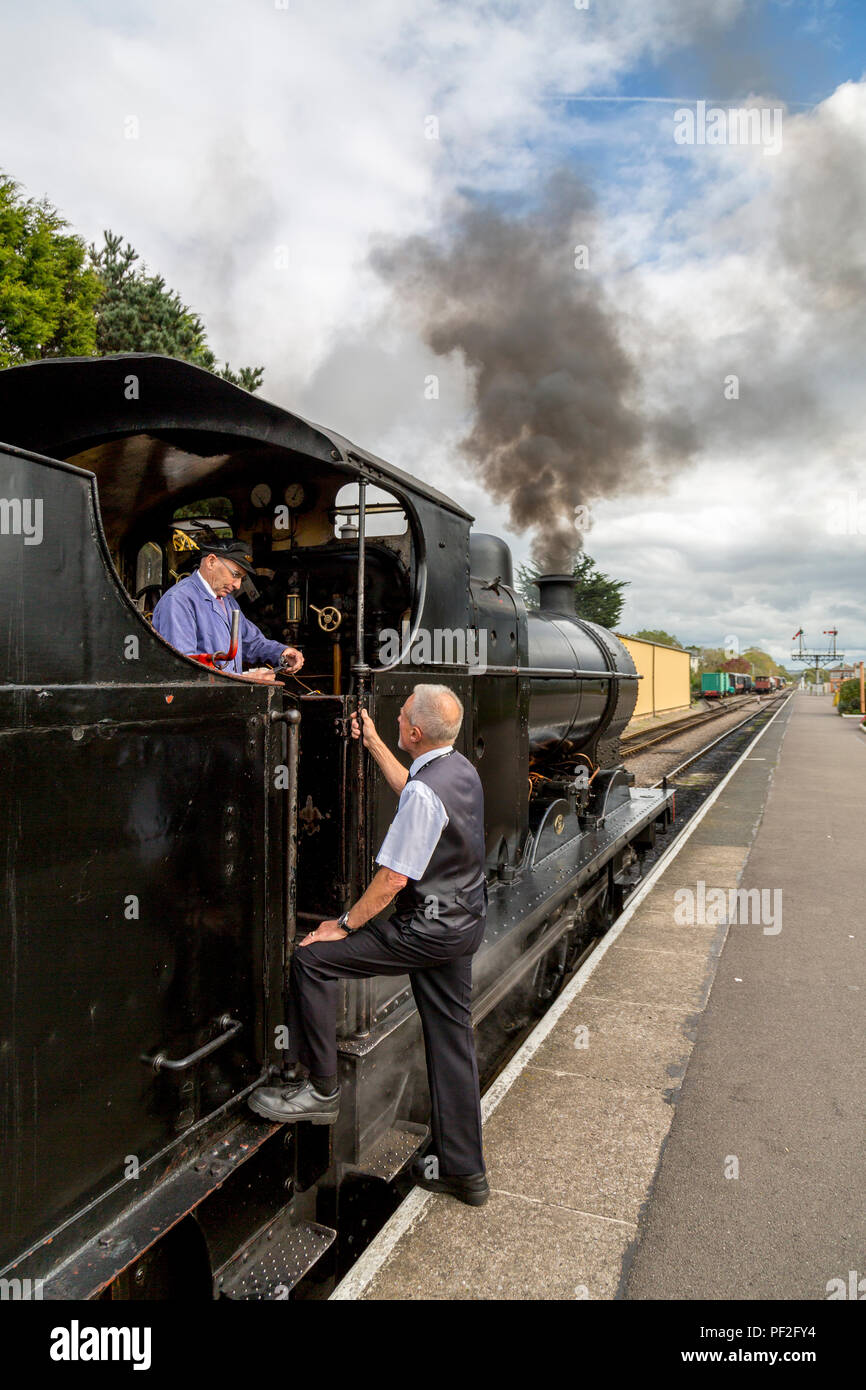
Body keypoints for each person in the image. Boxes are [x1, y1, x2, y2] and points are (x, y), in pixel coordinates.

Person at [248, 683, 489, 1206]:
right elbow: (414, 791)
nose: (397, 716)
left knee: (311, 960)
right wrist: (374, 742)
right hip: (462, 924)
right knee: (452, 1041)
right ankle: (466, 1175)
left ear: (415, 731)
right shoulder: (458, 769)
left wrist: (344, 924)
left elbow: (391, 881)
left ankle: (322, 1089)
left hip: (423, 929)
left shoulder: (429, 790)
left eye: (399, 716)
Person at [152, 541, 303, 683]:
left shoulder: (228, 602)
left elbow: (251, 642)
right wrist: (243, 678)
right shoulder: (179, 601)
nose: (237, 585)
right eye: (235, 575)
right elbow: (183, 668)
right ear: (211, 561)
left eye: (241, 579)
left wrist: (281, 652)